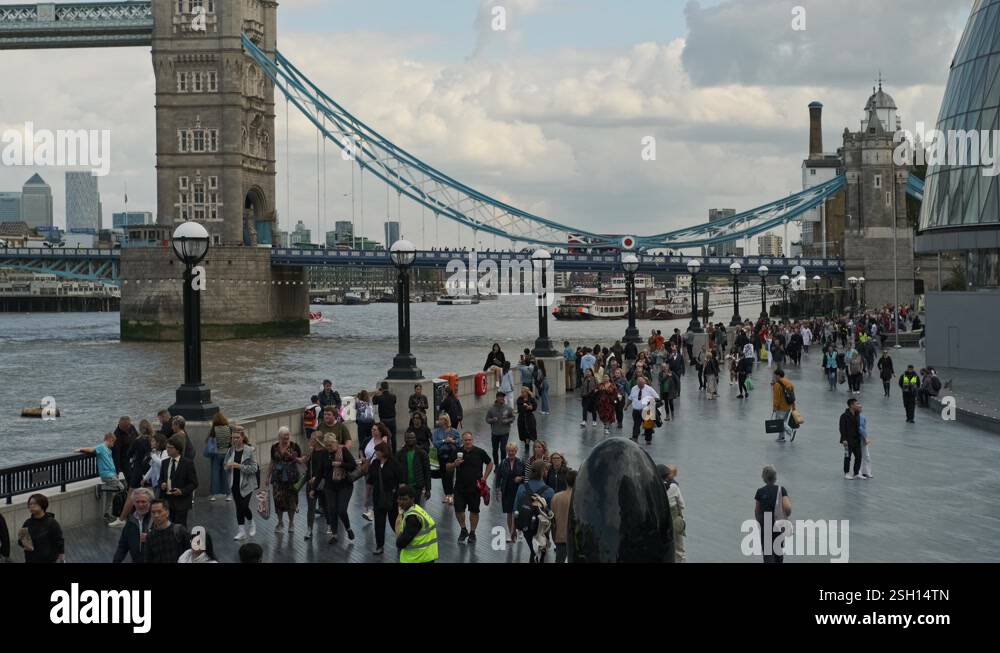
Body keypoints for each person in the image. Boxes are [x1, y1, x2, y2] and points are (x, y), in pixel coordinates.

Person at [447, 431, 493, 544]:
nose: (468, 442)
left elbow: (490, 463)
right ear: (462, 441)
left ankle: (472, 532)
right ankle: (463, 529)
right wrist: (455, 464)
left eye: (470, 440)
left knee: (474, 511)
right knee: (458, 510)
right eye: (466, 440)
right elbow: (447, 467)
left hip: (474, 488)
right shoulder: (457, 452)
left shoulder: (479, 452)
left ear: (472, 440)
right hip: (459, 487)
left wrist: (485, 477)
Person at [312, 434, 358, 544]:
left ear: (335, 442)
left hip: (344, 485)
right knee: (331, 509)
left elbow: (353, 465)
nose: (328, 448)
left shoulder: (343, 451)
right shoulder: (324, 454)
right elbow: (319, 472)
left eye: (330, 445)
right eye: (326, 446)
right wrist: (313, 488)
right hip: (329, 486)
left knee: (341, 510)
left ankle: (348, 528)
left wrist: (341, 464)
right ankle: (334, 534)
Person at [514, 461, 556, 563]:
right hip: (541, 528)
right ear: (543, 472)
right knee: (541, 553)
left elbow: (515, 509)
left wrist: (513, 529)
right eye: (546, 470)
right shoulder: (549, 491)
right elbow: (552, 513)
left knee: (533, 551)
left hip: (525, 525)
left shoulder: (522, 487)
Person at [77, 432, 123, 522]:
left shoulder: (109, 450)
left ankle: (106, 514)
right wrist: (80, 449)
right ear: (109, 439)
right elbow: (91, 450)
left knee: (111, 494)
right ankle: (100, 487)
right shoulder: (101, 447)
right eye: (113, 442)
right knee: (121, 487)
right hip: (106, 474)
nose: (113, 445)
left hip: (112, 473)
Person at [367, 442, 402, 555]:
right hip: (378, 497)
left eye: (377, 451)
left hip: (392, 497)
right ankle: (379, 546)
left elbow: (401, 479)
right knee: (379, 523)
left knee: (394, 522)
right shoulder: (375, 463)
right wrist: (366, 498)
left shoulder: (394, 463)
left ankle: (401, 542)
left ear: (383, 452)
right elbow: (370, 480)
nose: (376, 453)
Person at [226, 428, 260, 541]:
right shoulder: (231, 450)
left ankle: (251, 522)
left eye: (237, 437)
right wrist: (227, 466)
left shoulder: (249, 450)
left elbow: (254, 468)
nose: (234, 440)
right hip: (234, 483)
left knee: (244, 506)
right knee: (238, 507)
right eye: (233, 437)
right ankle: (241, 532)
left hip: (247, 484)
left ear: (242, 437)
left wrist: (239, 466)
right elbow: (225, 464)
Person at [268, 427, 303, 532]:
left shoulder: (294, 446)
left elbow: (301, 461)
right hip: (278, 478)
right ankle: (280, 522)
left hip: (291, 477)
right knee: (278, 500)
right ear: (279, 437)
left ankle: (291, 523)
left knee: (291, 500)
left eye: (288, 435)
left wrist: (293, 457)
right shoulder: (274, 447)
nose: (286, 438)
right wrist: (267, 477)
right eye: (284, 437)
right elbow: (272, 462)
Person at [754, 466, 791, 563]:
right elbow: (788, 508)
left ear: (764, 478)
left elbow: (757, 512)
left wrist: (762, 523)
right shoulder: (781, 490)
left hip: (766, 525)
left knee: (768, 555)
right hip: (779, 526)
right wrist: (786, 516)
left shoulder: (760, 492)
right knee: (778, 555)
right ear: (775, 477)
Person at [158, 435, 198, 526]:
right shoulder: (165, 463)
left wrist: (182, 491)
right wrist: (162, 484)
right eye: (167, 447)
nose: (167, 450)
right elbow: (161, 479)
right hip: (167, 500)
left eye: (170, 448)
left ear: (177, 449)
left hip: (181, 501)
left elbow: (194, 483)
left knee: (180, 527)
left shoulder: (187, 463)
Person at [395, 485, 439, 563]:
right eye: (399, 499)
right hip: (425, 556)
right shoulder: (417, 509)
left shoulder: (413, 518)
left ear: (412, 499)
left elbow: (401, 543)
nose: (401, 502)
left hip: (416, 558)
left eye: (405, 499)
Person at [18, 494, 64, 563]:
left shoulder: (52, 523)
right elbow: (21, 541)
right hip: (31, 559)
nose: (31, 506)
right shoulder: (27, 523)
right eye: (30, 504)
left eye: (34, 503)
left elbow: (59, 541)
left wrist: (61, 557)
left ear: (42, 505)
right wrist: (24, 543)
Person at [112, 487, 154, 563]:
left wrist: (150, 537)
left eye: (143, 502)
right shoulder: (131, 521)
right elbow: (123, 546)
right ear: (133, 503)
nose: (140, 505)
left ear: (150, 502)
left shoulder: (157, 519)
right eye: (137, 502)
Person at [495, 442, 525, 543]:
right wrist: (498, 490)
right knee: (509, 513)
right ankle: (511, 533)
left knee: (517, 512)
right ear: (507, 451)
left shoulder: (521, 463)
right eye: (509, 451)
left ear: (516, 451)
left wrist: (520, 478)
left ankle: (519, 529)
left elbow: (526, 478)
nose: (511, 453)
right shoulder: (503, 463)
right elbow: (498, 477)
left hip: (518, 491)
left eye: (513, 451)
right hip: (507, 491)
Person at [144, 499, 189, 563]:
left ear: (167, 512)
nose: (156, 515)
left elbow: (190, 553)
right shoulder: (150, 536)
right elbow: (148, 559)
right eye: (153, 512)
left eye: (159, 512)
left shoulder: (179, 530)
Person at [659, 464, 686, 562]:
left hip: (662, 522)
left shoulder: (656, 487)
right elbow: (682, 505)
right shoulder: (674, 487)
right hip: (674, 520)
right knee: (680, 549)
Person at [432, 414, 461, 504]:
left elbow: (459, 442)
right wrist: (444, 441)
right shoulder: (436, 432)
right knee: (444, 476)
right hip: (441, 456)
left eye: (441, 419)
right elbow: (435, 443)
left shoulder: (454, 431)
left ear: (445, 421)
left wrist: (452, 441)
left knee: (450, 476)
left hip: (451, 456)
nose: (439, 421)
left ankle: (451, 495)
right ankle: (447, 495)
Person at [396, 431, 432, 505]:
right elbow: (396, 471)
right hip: (405, 486)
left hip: (417, 486)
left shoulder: (422, 453)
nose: (410, 439)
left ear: (415, 439)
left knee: (416, 507)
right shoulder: (399, 454)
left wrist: (428, 489)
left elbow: (427, 471)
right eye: (408, 438)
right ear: (405, 439)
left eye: (412, 437)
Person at [206, 412, 233, 502]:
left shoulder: (214, 429)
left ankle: (213, 495)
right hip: (227, 454)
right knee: (226, 475)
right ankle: (228, 495)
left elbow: (208, 441)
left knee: (215, 475)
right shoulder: (229, 428)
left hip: (216, 454)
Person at [550, 469, 575, 563]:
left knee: (559, 560)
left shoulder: (556, 497)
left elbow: (552, 518)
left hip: (560, 537)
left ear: (566, 481)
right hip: (575, 539)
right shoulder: (579, 498)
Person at [486, 391, 515, 466]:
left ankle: (503, 464)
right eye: (500, 397)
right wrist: (492, 420)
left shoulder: (508, 408)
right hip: (495, 433)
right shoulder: (491, 409)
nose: (502, 398)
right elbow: (487, 419)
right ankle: (496, 465)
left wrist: (507, 420)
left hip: (504, 432)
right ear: (497, 398)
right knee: (495, 450)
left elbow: (513, 418)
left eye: (503, 397)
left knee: (503, 449)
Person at [628, 376, 659, 444]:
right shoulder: (634, 388)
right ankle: (635, 438)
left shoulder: (649, 389)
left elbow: (657, 397)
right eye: (639, 385)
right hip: (636, 410)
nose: (641, 386)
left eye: (642, 385)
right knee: (636, 424)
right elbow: (630, 398)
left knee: (648, 426)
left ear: (644, 383)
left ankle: (648, 439)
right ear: (637, 383)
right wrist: (626, 406)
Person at [839, 398, 864, 480]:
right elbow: (842, 428)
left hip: (856, 440)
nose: (858, 405)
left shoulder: (857, 415)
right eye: (856, 404)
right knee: (847, 457)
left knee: (859, 456)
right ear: (851, 405)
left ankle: (856, 473)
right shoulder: (844, 416)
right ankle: (846, 473)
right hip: (847, 441)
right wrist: (844, 439)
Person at [771, 369, 797, 443]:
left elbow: (776, 398)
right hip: (788, 406)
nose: (774, 376)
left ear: (778, 375)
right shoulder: (788, 382)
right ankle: (781, 437)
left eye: (774, 375)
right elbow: (792, 395)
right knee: (783, 421)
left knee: (780, 422)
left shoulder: (777, 385)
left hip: (781, 407)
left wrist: (774, 407)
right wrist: (793, 406)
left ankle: (791, 431)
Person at [112, 416, 138, 483]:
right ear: (120, 425)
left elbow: (137, 438)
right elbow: (116, 454)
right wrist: (116, 471)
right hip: (125, 461)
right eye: (125, 427)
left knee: (138, 477)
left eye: (128, 426)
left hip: (135, 458)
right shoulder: (116, 436)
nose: (127, 429)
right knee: (131, 479)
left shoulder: (131, 427)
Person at [372, 381, 398, 448]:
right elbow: (394, 401)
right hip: (392, 419)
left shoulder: (379, 397)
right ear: (388, 387)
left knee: (384, 437)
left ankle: (387, 451)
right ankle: (394, 452)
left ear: (382, 388)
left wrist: (377, 393)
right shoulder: (393, 396)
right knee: (393, 437)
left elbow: (374, 401)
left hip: (383, 420)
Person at [516, 387, 538, 457]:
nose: (522, 393)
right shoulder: (519, 399)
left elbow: (535, 406)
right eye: (521, 392)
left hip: (529, 418)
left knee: (531, 432)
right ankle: (527, 446)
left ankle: (536, 448)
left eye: (523, 392)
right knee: (524, 433)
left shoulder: (531, 399)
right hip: (522, 418)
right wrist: (526, 407)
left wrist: (531, 407)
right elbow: (519, 408)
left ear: (527, 392)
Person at [859, 405, 873, 479]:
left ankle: (865, 471)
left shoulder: (862, 417)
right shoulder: (858, 418)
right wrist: (866, 437)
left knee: (865, 456)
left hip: (862, 439)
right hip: (860, 439)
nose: (861, 408)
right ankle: (862, 472)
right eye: (859, 407)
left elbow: (863, 428)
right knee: (863, 456)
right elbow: (860, 428)